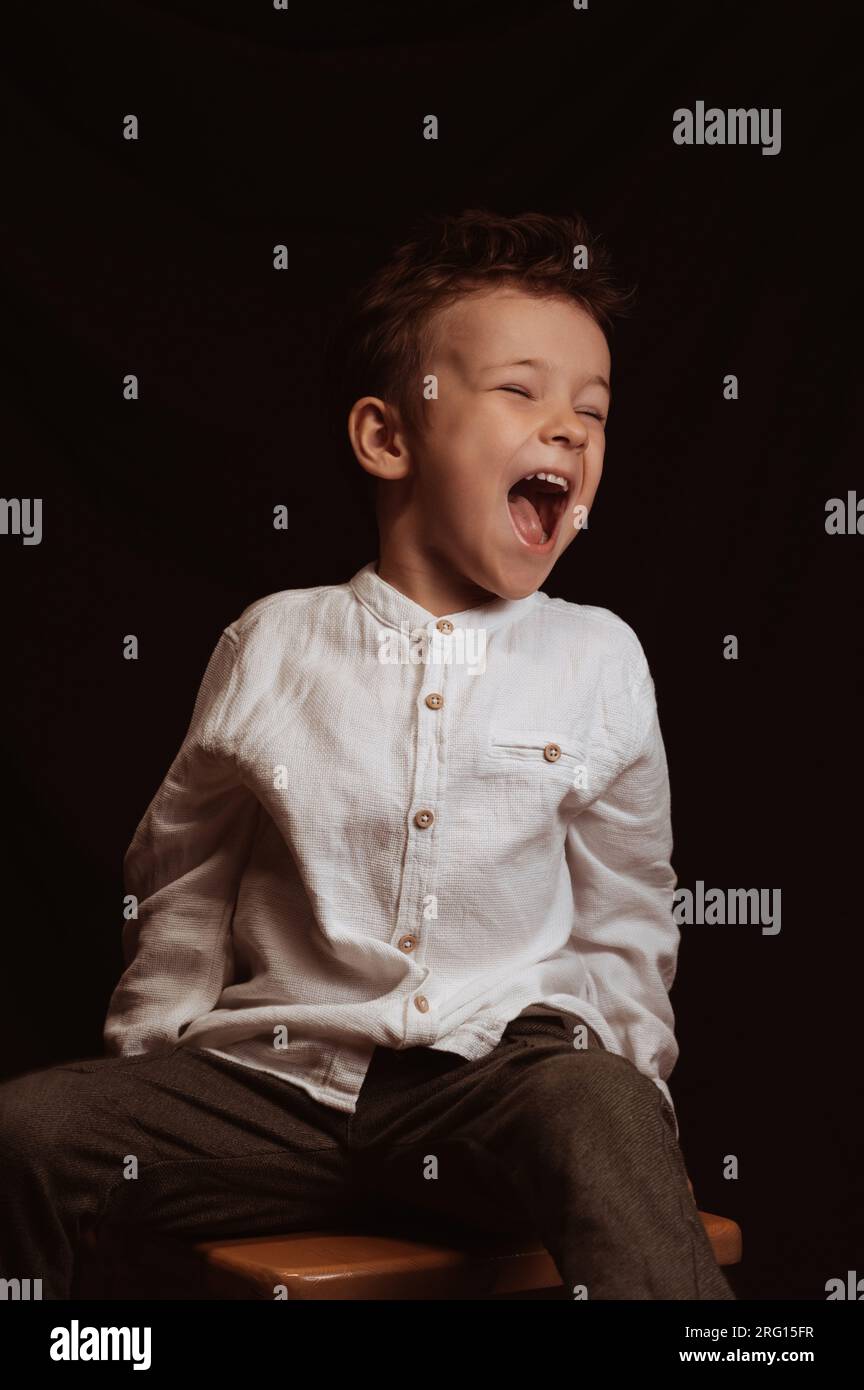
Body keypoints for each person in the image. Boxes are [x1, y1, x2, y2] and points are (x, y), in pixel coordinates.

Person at [0, 208, 735, 1300]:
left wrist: (606, 1086)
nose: (571, 429)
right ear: (391, 437)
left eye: (594, 409)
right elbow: (188, 868)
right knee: (28, 1127)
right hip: (279, 1090)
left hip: (496, 1090)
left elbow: (627, 908)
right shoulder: (274, 642)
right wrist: (159, 1060)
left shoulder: (600, 659)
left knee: (605, 1106)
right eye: (523, 391)